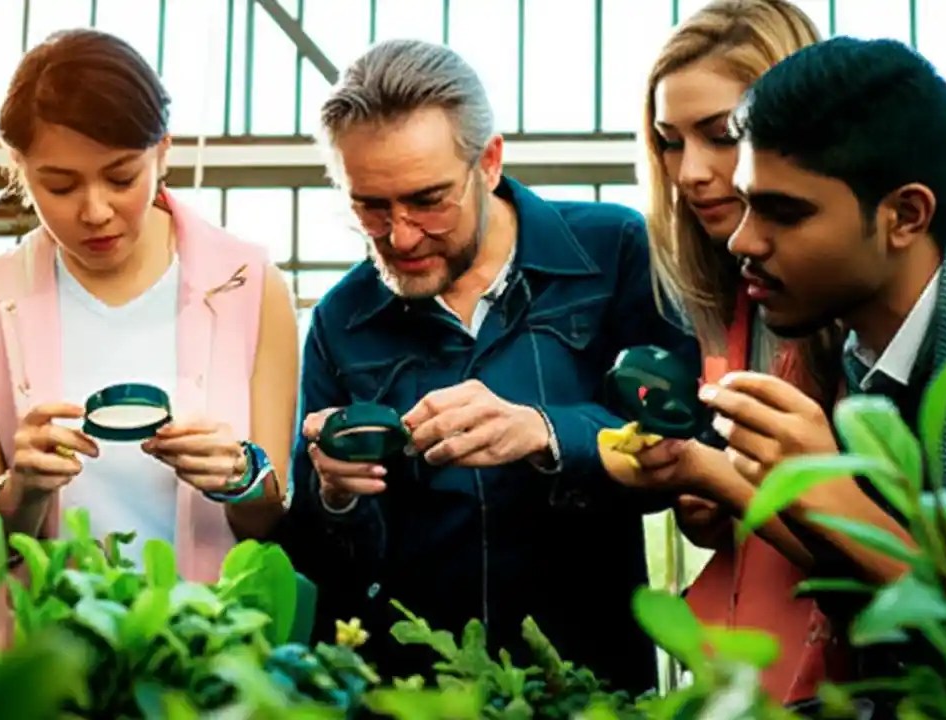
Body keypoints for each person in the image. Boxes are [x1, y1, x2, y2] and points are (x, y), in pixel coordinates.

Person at [276, 38, 699, 693]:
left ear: (490, 162)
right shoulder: (339, 322)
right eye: (371, 208)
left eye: (427, 199)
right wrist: (333, 496)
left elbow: (688, 447)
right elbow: (320, 561)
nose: (402, 236)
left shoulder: (615, 253)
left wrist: (548, 431)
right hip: (415, 695)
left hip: (590, 687)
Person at [0, 29, 299, 579]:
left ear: (163, 153)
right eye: (60, 186)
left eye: (121, 177)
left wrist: (238, 476)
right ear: (18, 166)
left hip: (205, 642)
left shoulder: (249, 286)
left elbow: (267, 524)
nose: (95, 211)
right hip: (44, 646)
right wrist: (24, 489)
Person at [619, 0, 846, 703]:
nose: (689, 172)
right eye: (668, 140)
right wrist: (711, 510)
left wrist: (718, 476)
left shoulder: (861, 308)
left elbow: (873, 551)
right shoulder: (726, 305)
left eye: (720, 135)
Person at [700, 35, 946, 578]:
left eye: (785, 212)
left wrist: (831, 496)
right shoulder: (860, 343)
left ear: (906, 215)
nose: (742, 242)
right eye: (748, 203)